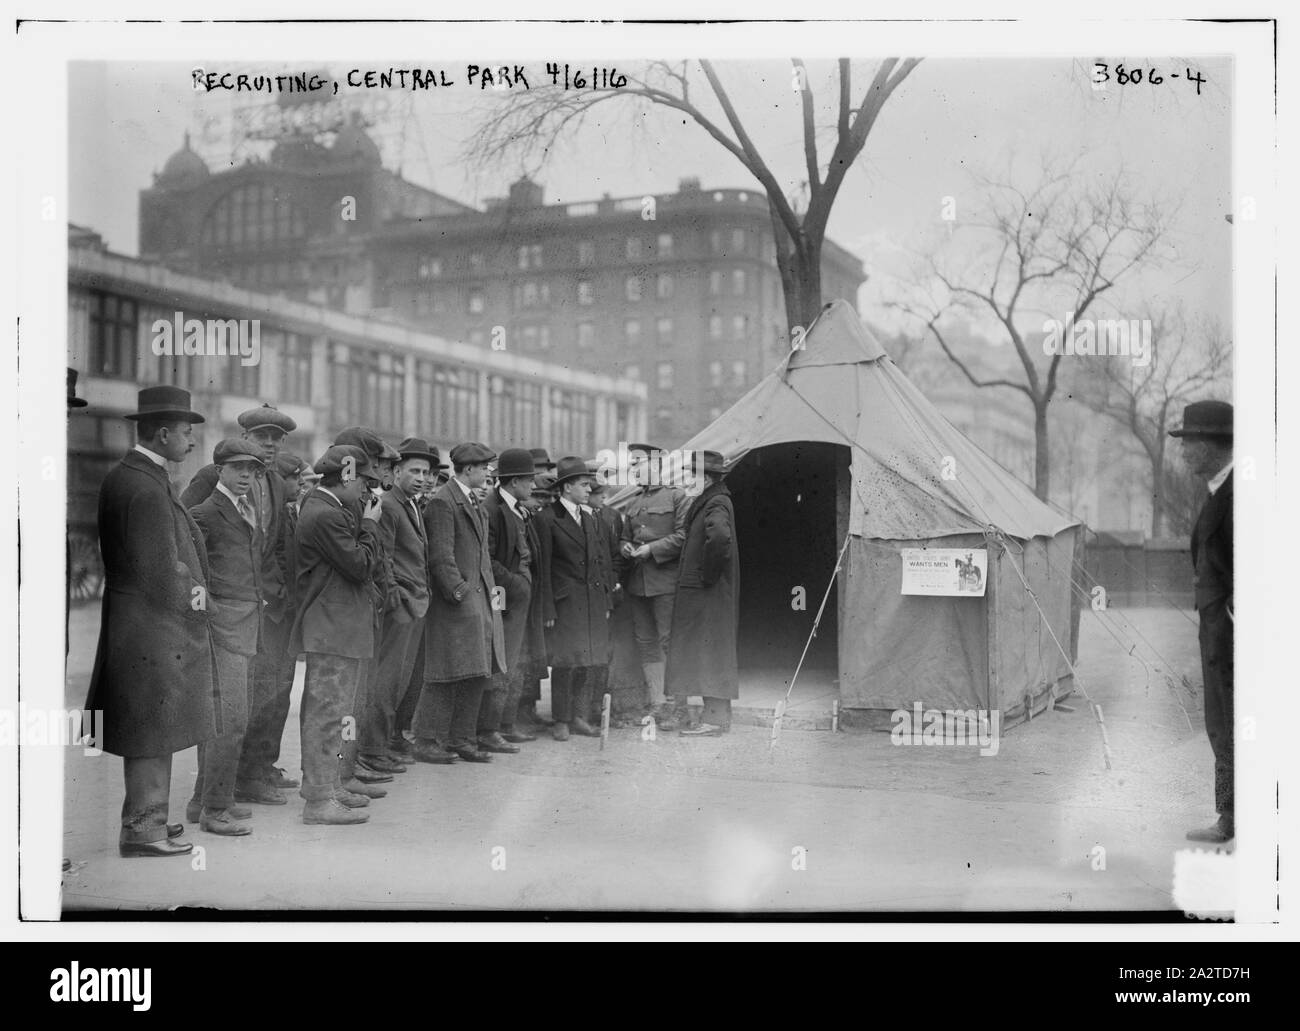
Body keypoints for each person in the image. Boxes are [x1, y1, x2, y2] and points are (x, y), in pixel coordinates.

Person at [86, 385, 217, 858]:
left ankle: (150, 819)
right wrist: (199, 602)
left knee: (153, 727)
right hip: (150, 627)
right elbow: (162, 570)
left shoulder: (139, 476)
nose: (191, 442)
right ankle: (143, 831)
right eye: (186, 433)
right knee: (150, 730)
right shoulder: (142, 485)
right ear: (162, 433)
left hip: (141, 625)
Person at [182, 403, 299, 804]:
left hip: (269, 608)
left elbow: (279, 544)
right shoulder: (211, 478)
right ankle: (217, 790)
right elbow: (190, 535)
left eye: (277, 439)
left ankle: (255, 773)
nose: (269, 445)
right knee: (229, 704)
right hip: (231, 610)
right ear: (244, 438)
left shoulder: (277, 483)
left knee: (270, 694)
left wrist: (279, 589)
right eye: (262, 437)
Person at [289, 444, 384, 824]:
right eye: (364, 481)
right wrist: (371, 525)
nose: (367, 492)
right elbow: (360, 566)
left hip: (340, 627)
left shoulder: (328, 509)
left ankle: (329, 787)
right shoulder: (326, 514)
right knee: (327, 714)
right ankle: (317, 799)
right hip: (332, 628)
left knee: (338, 712)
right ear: (346, 475)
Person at [186, 439, 267, 836]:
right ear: (219, 471)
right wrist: (212, 610)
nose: (246, 478)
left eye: (251, 471)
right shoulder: (204, 513)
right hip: (223, 628)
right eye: (238, 470)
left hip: (247, 624)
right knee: (229, 721)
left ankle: (203, 800)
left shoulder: (244, 509)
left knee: (228, 717)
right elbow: (188, 571)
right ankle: (215, 810)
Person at [410, 442, 507, 764]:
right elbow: (441, 557)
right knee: (445, 673)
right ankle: (426, 740)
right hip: (459, 604)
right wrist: (461, 593)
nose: (488, 472)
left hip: (478, 602)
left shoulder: (471, 501)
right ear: (468, 470)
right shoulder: (443, 502)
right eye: (484, 468)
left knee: (475, 672)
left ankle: (461, 738)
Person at [1172, 400, 1235, 843]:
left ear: (1214, 445)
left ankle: (1235, 819)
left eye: (1188, 443)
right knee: (1221, 722)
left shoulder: (1239, 494)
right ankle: (1230, 816)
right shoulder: (1220, 490)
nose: (1183, 453)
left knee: (1233, 723)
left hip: (1234, 638)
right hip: (1219, 637)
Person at [360, 437, 434, 772]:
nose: (421, 477)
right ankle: (373, 749)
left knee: (402, 680)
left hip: (415, 603)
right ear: (397, 471)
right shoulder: (389, 504)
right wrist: (397, 599)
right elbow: (384, 557)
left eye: (426, 472)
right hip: (401, 605)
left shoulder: (411, 504)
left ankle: (387, 741)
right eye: (414, 470)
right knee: (386, 681)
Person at [536, 456, 611, 741]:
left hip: (591, 603)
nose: (589, 490)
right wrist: (548, 607)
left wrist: (604, 601)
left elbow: (599, 563)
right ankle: (561, 720)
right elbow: (543, 568)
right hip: (566, 604)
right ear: (567, 488)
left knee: (587, 661)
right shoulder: (547, 519)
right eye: (583, 485)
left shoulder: (589, 518)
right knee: (566, 662)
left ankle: (579, 716)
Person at [664, 451, 739, 736]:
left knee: (711, 652)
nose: (685, 480)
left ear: (705, 478)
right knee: (711, 651)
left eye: (689, 475)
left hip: (708, 592)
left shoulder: (716, 501)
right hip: (709, 591)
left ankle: (714, 721)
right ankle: (716, 718)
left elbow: (719, 537)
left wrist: (707, 575)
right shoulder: (712, 499)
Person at [621, 443, 691, 720]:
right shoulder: (632, 502)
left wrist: (652, 549)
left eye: (637, 464)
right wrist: (624, 548)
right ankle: (657, 702)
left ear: (655, 465)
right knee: (646, 642)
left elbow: (685, 535)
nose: (633, 470)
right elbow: (624, 536)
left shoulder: (677, 497)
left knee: (669, 641)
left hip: (666, 582)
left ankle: (678, 705)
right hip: (638, 583)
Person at [478, 448, 539, 750]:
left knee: (514, 663)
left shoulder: (515, 507)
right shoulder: (492, 508)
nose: (534, 486)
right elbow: (487, 559)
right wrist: (517, 584)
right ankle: (489, 730)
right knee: (500, 664)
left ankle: (504, 724)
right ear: (514, 481)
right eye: (529, 481)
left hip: (517, 600)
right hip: (505, 598)